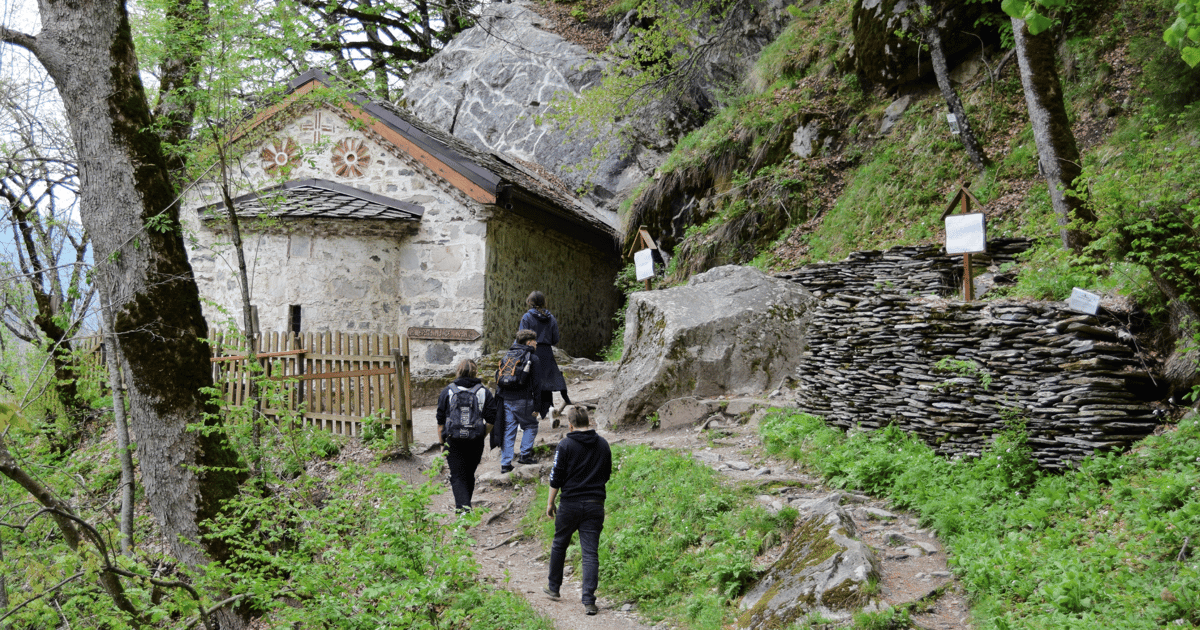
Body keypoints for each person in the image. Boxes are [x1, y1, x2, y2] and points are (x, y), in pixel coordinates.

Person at [544, 406, 611, 616]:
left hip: (570, 504)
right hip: (595, 504)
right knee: (590, 553)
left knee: (559, 544)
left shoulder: (565, 444)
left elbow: (556, 476)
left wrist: (550, 502)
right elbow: (606, 473)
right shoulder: (603, 444)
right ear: (589, 423)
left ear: (570, 425)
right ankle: (589, 601)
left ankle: (554, 588)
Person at [435, 359, 498, 513]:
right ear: (475, 372)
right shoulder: (483, 391)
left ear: (458, 371)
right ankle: (465, 509)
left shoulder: (447, 391)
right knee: (469, 474)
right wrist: (482, 434)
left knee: (457, 476)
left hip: (453, 440)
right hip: (475, 441)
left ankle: (463, 511)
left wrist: (442, 443)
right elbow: (491, 419)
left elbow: (440, 421)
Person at [519, 290, 571, 420]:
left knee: (531, 382)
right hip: (547, 353)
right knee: (546, 383)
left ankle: (532, 412)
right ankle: (549, 409)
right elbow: (555, 339)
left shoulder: (527, 317)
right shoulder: (551, 318)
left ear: (529, 302)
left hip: (531, 351)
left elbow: (521, 337)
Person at [497, 329, 542, 473]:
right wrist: (538, 405)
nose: (536, 343)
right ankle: (525, 455)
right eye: (535, 341)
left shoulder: (507, 356)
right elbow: (537, 384)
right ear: (529, 342)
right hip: (525, 400)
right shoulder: (532, 358)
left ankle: (505, 464)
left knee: (509, 430)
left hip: (506, 400)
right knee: (531, 425)